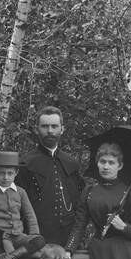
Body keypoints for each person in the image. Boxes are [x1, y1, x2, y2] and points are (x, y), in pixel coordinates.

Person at [17, 106, 86, 250]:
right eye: (45, 126)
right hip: (38, 242)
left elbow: (80, 204)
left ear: (62, 129)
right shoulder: (26, 163)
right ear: (37, 129)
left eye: (54, 126)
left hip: (69, 243)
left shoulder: (71, 163)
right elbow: (16, 207)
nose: (50, 131)